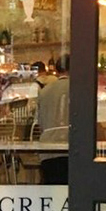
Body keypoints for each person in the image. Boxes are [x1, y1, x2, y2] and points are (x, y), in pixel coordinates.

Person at [37, 54, 70, 184]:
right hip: (72, 149)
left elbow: (40, 124)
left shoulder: (44, 91)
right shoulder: (81, 89)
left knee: (53, 191)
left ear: (56, 69)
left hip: (47, 151)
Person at [37, 54, 70, 133]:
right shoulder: (78, 89)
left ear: (57, 70)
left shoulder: (44, 91)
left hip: (47, 138)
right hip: (70, 138)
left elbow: (39, 121)